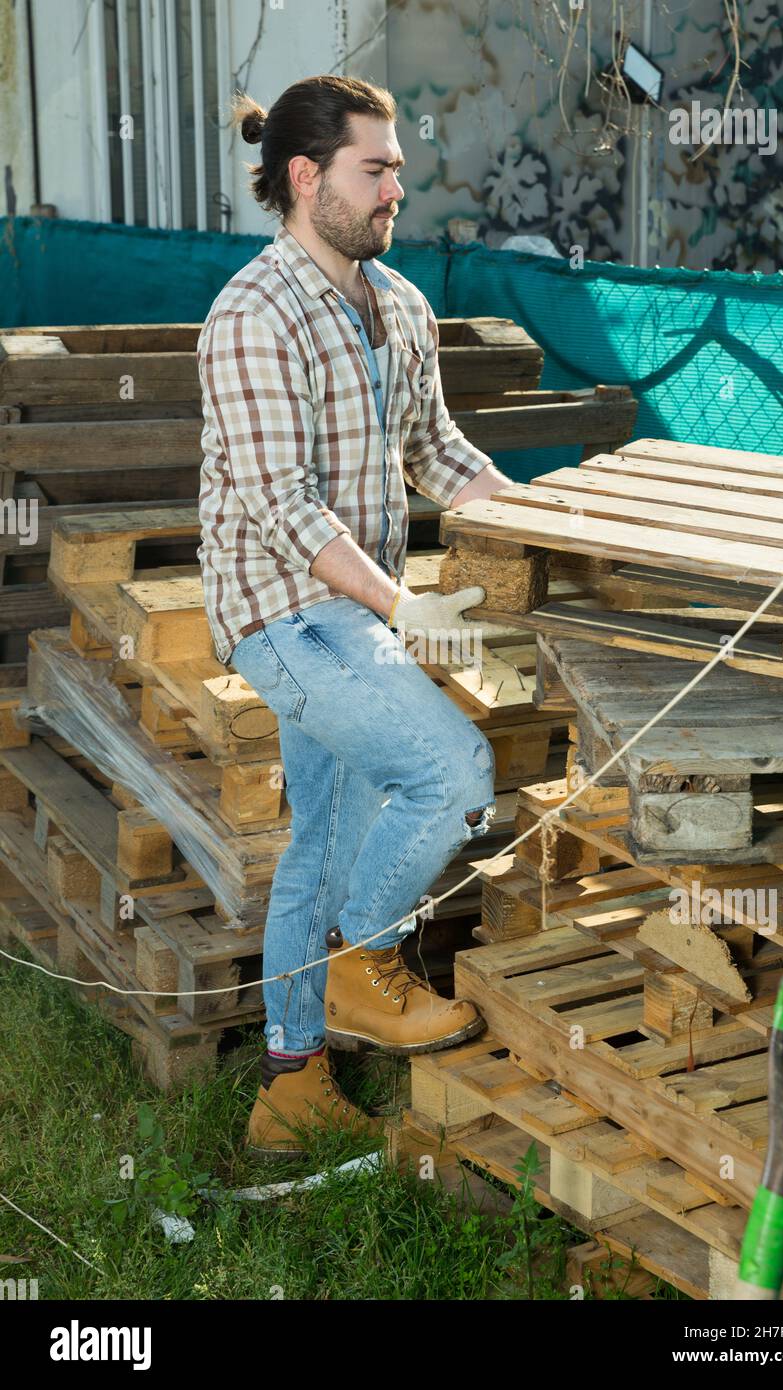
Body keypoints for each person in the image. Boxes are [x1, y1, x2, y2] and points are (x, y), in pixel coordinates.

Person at [196, 74, 515, 1156]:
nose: (395, 192)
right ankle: (355, 960)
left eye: (397, 172)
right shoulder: (254, 312)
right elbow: (279, 504)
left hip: (355, 608)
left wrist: (539, 517)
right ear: (305, 177)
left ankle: (288, 1091)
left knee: (320, 842)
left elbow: (436, 454)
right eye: (373, 171)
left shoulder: (401, 308)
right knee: (449, 773)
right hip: (285, 615)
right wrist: (403, 607)